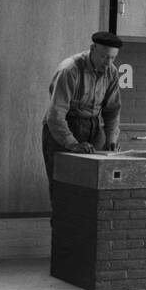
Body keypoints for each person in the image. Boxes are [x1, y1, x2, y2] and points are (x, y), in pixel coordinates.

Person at [42, 31, 123, 198]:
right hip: (64, 128)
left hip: (93, 127)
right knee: (63, 188)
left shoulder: (112, 72)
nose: (108, 63)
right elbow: (55, 115)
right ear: (92, 48)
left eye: (113, 58)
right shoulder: (69, 70)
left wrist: (111, 139)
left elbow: (112, 110)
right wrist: (72, 144)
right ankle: (62, 225)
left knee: (94, 187)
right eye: (104, 57)